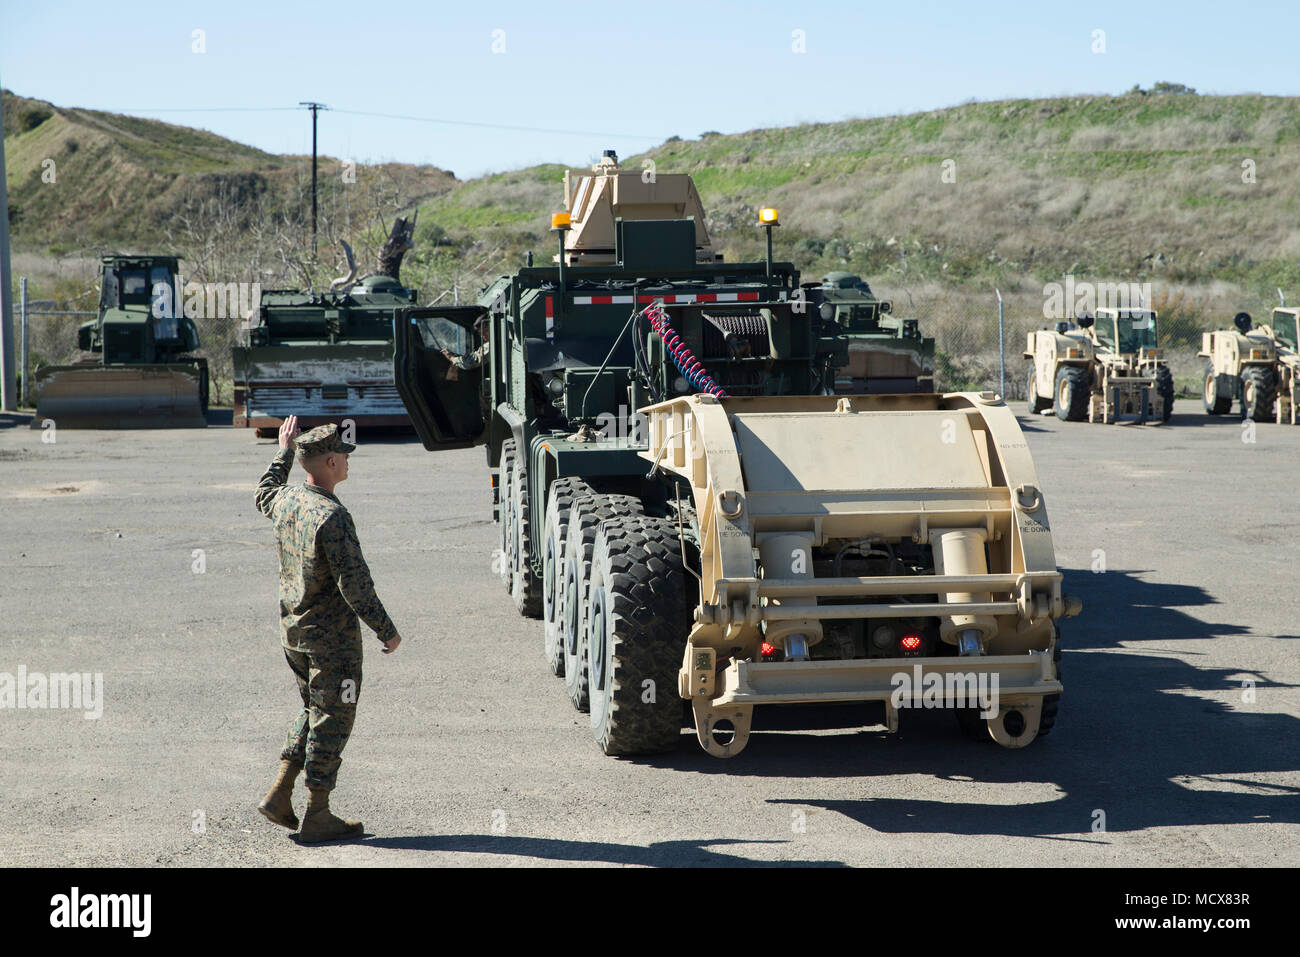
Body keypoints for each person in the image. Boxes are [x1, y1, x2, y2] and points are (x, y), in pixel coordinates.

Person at [254, 416, 403, 843]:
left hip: (294, 634)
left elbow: (262, 492)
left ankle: (281, 793)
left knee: (313, 710)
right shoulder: (332, 517)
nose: (348, 463)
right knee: (333, 719)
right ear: (333, 462)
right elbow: (354, 585)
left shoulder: (287, 500)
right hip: (330, 642)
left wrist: (283, 452)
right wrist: (386, 631)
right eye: (345, 457)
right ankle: (317, 813)